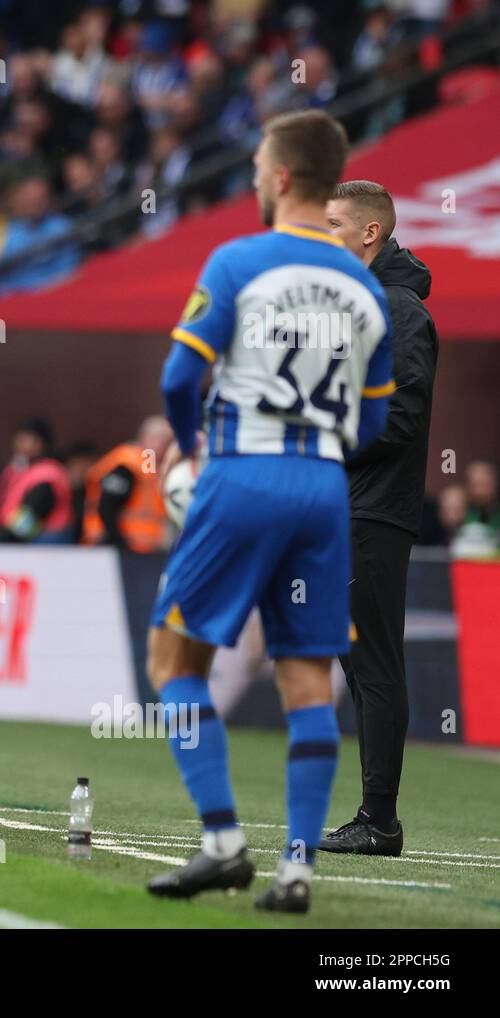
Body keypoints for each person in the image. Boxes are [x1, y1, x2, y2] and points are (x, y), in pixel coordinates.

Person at [145, 110, 393, 914]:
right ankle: (296, 868)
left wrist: (191, 452)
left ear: (282, 177)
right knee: (309, 682)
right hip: (324, 489)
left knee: (173, 664)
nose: (252, 178)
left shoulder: (241, 259)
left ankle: (221, 842)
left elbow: (181, 378)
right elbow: (378, 422)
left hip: (242, 474)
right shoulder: (366, 285)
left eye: (256, 166)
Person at [321, 180, 438, 856]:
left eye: (334, 225)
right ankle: (374, 814)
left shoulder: (398, 310)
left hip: (374, 512)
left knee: (375, 664)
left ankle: (381, 820)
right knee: (360, 665)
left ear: (370, 233)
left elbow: (399, 416)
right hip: (346, 510)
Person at [80, 416, 172, 553]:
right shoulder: (128, 465)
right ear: (149, 438)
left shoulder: (149, 466)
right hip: (113, 548)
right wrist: (121, 545)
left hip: (140, 549)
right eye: (166, 442)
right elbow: (107, 507)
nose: (168, 448)